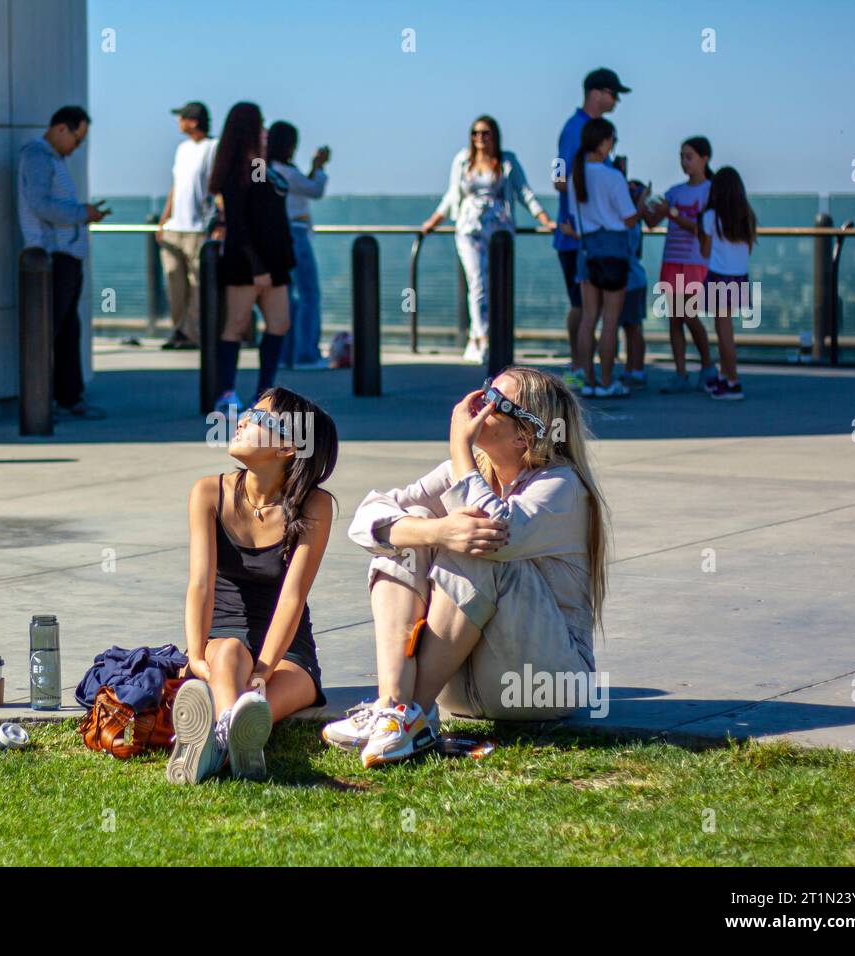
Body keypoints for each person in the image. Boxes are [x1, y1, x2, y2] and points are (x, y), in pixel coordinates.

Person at [325, 367, 609, 767]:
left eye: (493, 400)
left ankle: (411, 713)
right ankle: (395, 707)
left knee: (475, 540)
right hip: (460, 691)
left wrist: (460, 449)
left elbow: (500, 532)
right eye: (482, 390)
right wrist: (434, 530)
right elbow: (367, 519)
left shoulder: (562, 486)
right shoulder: (469, 472)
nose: (474, 404)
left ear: (525, 434)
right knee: (414, 531)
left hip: (545, 685)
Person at [168, 387, 339, 784]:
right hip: (223, 632)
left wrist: (263, 668)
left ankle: (219, 742)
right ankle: (237, 744)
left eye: (261, 418)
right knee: (228, 655)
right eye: (248, 411)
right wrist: (196, 655)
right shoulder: (209, 492)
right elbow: (200, 585)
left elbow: (292, 597)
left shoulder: (315, 506)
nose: (243, 419)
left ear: (287, 449)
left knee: (263, 701)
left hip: (287, 646)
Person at [422, 115, 555, 365]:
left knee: (495, 284)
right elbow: (452, 196)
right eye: (475, 133)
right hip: (469, 228)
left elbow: (524, 193)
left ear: (494, 136)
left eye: (485, 133)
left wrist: (545, 219)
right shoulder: (462, 161)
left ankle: (487, 336)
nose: (480, 138)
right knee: (477, 282)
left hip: (499, 231)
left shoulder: (507, 161)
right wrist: (433, 222)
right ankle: (482, 338)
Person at [17, 105, 111, 419]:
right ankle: (43, 402)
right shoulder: (38, 156)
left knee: (68, 329)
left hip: (65, 258)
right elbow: (40, 204)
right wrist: (82, 214)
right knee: (52, 330)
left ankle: (68, 396)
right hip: (51, 259)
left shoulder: (52, 159)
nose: (77, 147)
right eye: (77, 138)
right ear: (61, 129)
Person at [208, 103, 297, 415]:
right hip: (247, 264)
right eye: (259, 126)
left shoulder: (264, 166)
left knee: (279, 323)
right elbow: (239, 224)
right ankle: (226, 393)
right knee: (235, 325)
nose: (265, 132)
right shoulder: (237, 172)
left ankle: (264, 395)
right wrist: (257, 268)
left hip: (276, 263)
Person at [554, 68, 630, 390]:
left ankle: (585, 374)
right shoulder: (574, 130)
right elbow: (557, 175)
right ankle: (579, 369)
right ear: (597, 92)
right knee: (584, 309)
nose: (616, 102)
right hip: (582, 238)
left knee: (587, 311)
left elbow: (561, 177)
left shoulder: (580, 130)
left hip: (581, 235)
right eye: (614, 95)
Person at [566, 117, 641, 398]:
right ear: (604, 142)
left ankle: (587, 379)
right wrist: (642, 202)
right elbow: (629, 218)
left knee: (588, 318)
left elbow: (575, 216)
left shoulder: (576, 175)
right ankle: (607, 380)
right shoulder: (613, 176)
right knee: (610, 320)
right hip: (614, 251)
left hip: (588, 251)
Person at [653, 136, 720, 394]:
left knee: (689, 315)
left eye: (689, 156)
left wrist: (675, 216)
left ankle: (707, 366)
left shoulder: (711, 191)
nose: (684, 162)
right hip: (672, 259)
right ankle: (680, 373)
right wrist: (645, 202)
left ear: (705, 158)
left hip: (695, 261)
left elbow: (702, 228)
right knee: (675, 319)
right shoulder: (675, 191)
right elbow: (652, 220)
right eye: (681, 156)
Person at [266, 121, 330, 370]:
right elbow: (314, 189)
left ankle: (286, 354)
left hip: (278, 235)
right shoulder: (287, 172)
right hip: (297, 233)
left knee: (287, 297)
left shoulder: (268, 169)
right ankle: (306, 354)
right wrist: (319, 167)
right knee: (309, 294)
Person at [156, 102, 218, 350]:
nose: (179, 122)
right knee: (175, 284)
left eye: (181, 118)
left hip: (199, 228)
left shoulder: (213, 147)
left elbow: (216, 186)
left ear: (193, 121)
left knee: (198, 285)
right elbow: (176, 185)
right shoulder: (181, 149)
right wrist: (164, 219)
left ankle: (193, 333)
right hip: (175, 228)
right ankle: (178, 330)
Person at [698, 166, 758, 401]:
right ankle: (725, 377)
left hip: (719, 275)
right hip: (738, 276)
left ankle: (732, 382)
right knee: (725, 327)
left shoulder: (711, 217)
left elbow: (704, 251)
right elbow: (748, 249)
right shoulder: (747, 216)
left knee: (723, 331)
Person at [620, 180, 651, 388]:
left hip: (631, 281)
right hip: (633, 279)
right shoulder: (635, 223)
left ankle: (637, 369)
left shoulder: (630, 223)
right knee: (630, 328)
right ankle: (631, 368)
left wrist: (641, 203)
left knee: (633, 328)